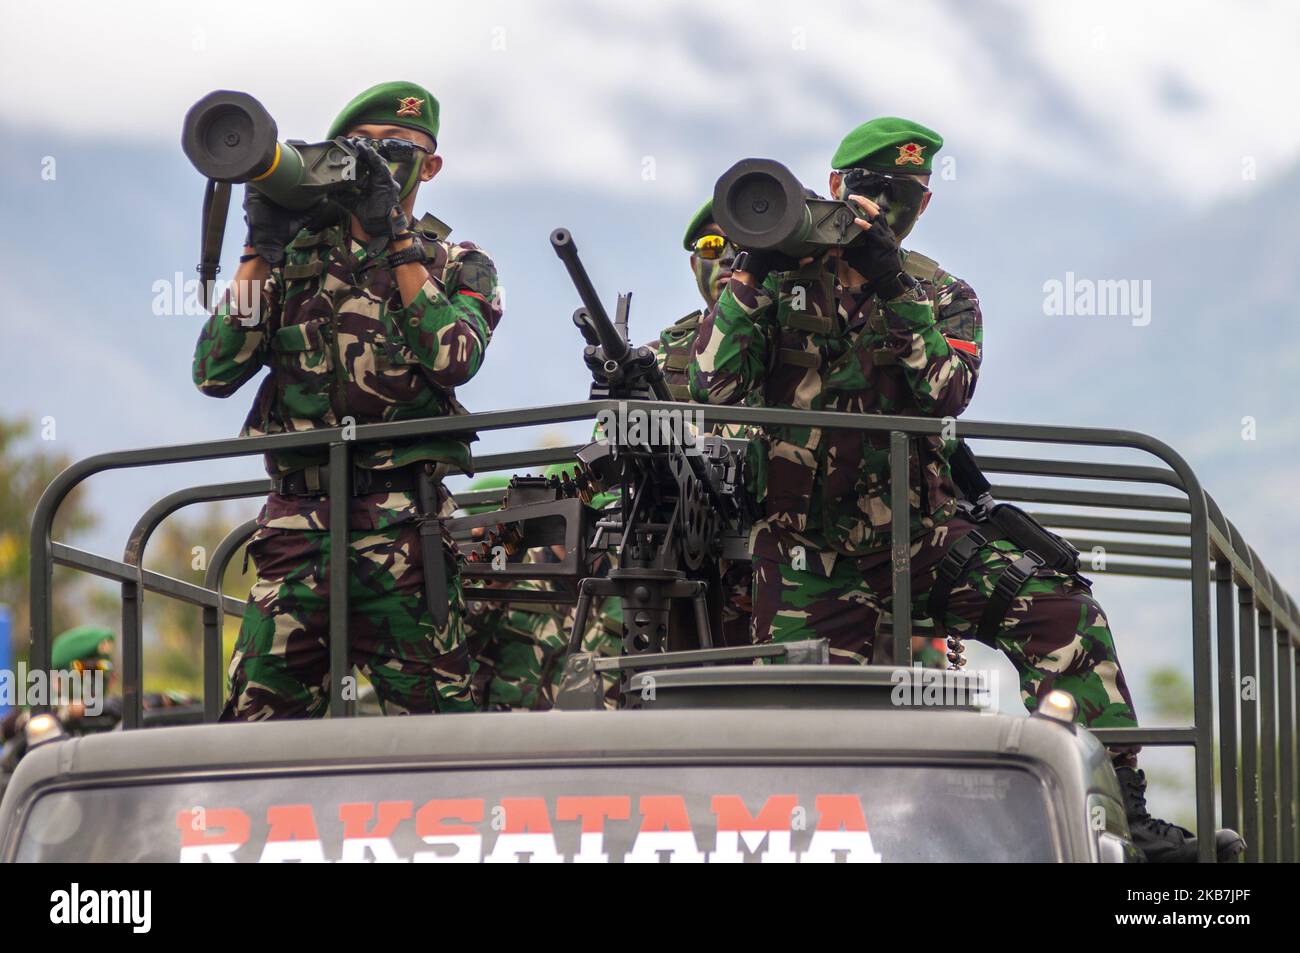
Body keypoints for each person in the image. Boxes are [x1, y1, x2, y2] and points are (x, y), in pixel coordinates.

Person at [689, 116, 1242, 862]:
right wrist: (753, 267)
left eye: (904, 200)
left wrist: (890, 280)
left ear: (924, 208)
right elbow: (711, 388)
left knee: (1062, 612)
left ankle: (1124, 814)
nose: (884, 210)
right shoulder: (770, 286)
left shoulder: (941, 293)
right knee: (794, 745)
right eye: (870, 192)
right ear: (832, 190)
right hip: (806, 552)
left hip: (921, 538)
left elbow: (948, 389)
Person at [193, 81, 502, 718]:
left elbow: (454, 359)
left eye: (397, 149)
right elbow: (215, 370)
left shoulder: (458, 264)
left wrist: (397, 242)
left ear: (431, 166)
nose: (378, 159)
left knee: (439, 736)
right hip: (295, 528)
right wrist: (256, 253)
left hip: (404, 529)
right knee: (252, 732)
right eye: (361, 147)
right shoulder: (297, 259)